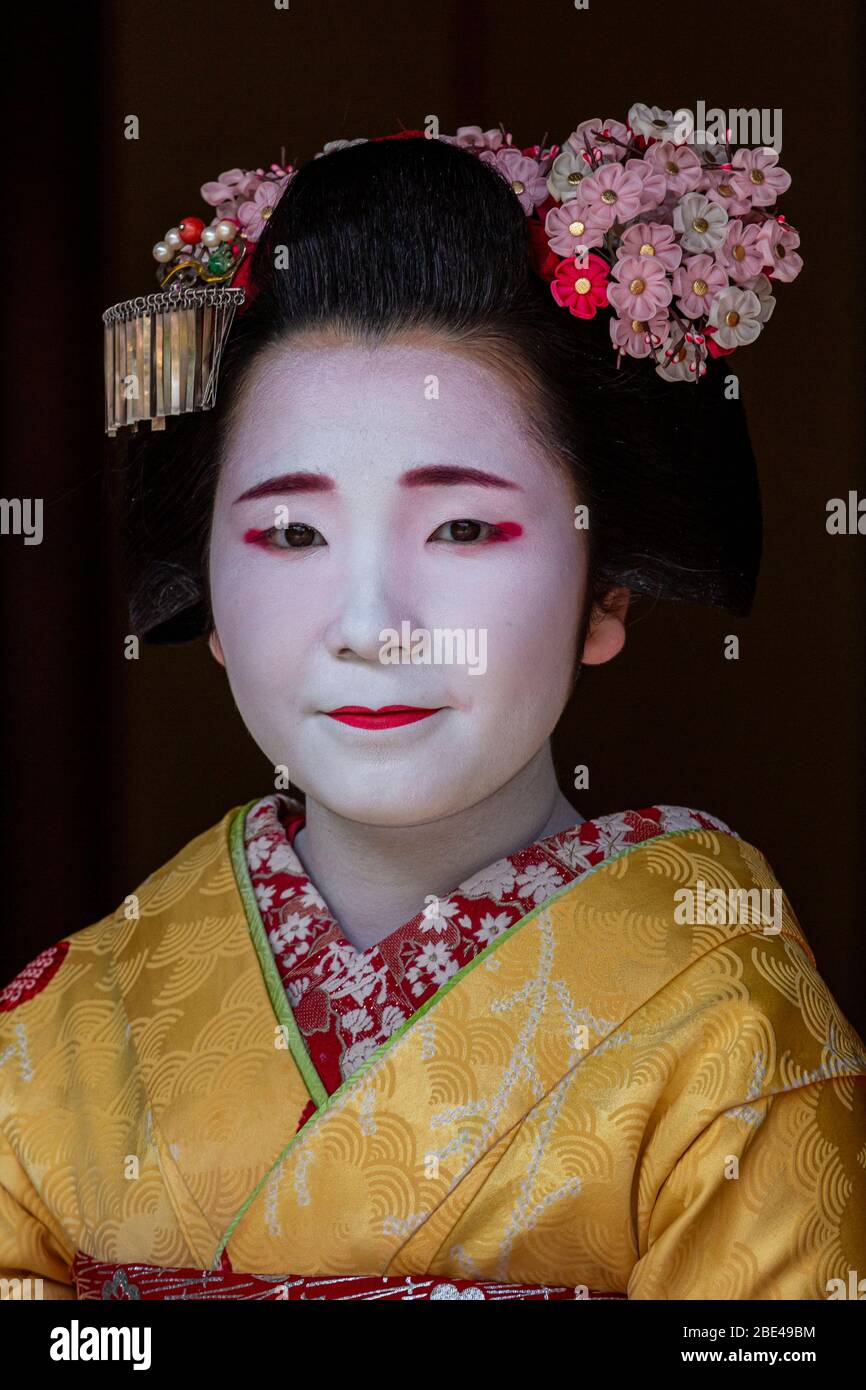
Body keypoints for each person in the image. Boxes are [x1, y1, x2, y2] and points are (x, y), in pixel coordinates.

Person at [1, 118, 863, 1302]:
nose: (371, 620)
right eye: (290, 533)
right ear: (207, 590)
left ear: (600, 585)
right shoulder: (55, 1044)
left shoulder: (727, 1024)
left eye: (461, 527)